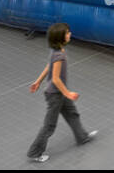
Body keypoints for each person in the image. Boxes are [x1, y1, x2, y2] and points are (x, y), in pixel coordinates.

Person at [27, 22, 97, 162]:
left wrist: (38, 81)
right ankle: (35, 152)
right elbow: (56, 79)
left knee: (72, 114)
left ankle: (82, 137)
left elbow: (49, 67)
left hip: (58, 93)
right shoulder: (59, 55)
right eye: (67, 33)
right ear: (60, 37)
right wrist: (67, 93)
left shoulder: (56, 51)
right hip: (55, 95)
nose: (69, 34)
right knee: (49, 126)